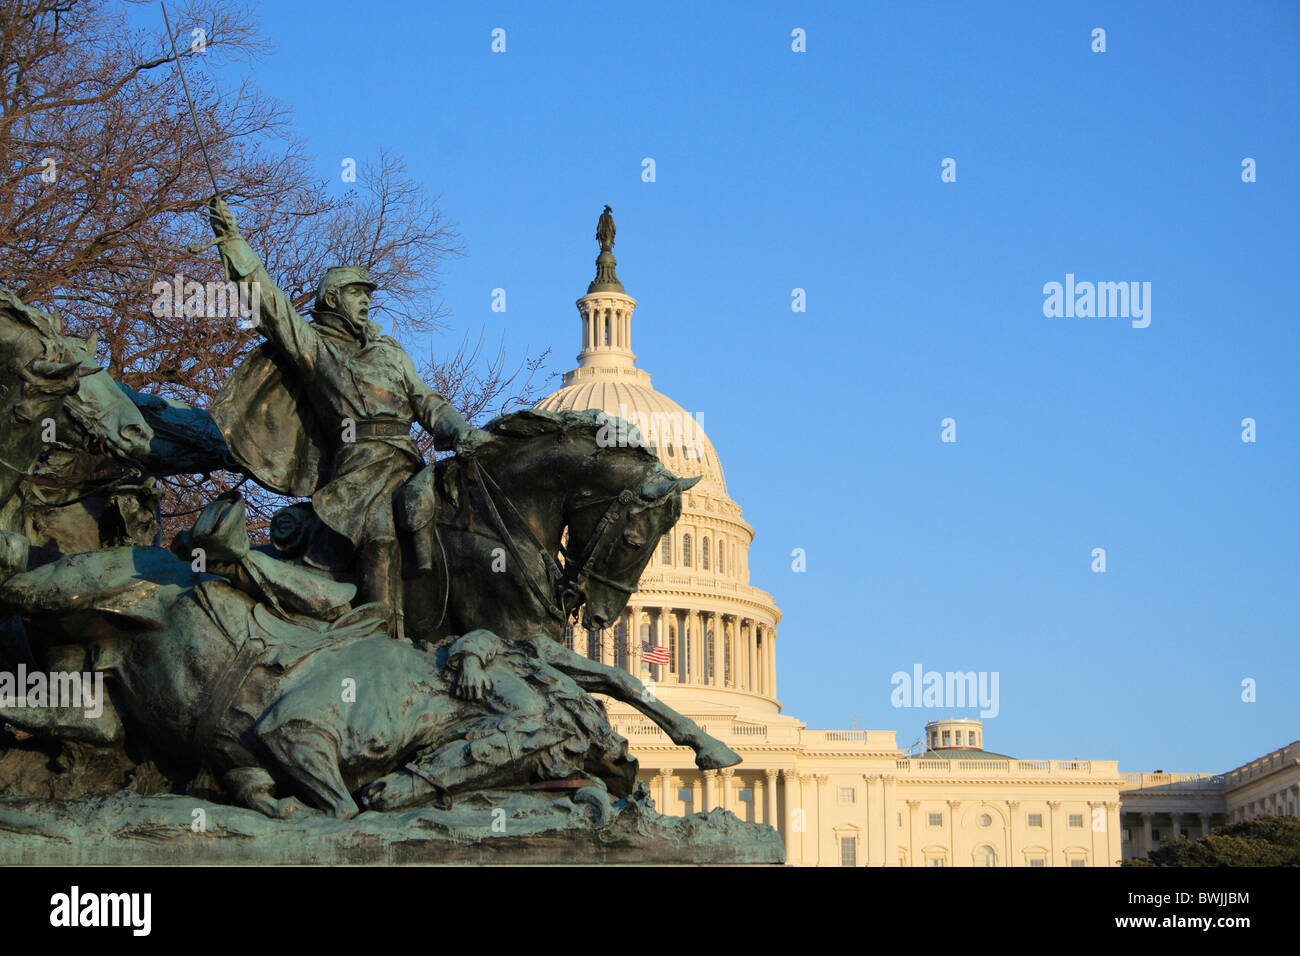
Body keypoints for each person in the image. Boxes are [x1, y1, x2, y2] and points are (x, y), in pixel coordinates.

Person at [204, 194, 490, 640]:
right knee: (379, 534)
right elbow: (270, 307)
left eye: (368, 296)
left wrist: (463, 431)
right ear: (332, 298)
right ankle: (380, 639)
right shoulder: (319, 349)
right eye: (357, 294)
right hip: (360, 468)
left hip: (408, 462)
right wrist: (231, 239)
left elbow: (428, 401)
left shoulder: (390, 352)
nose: (365, 303)